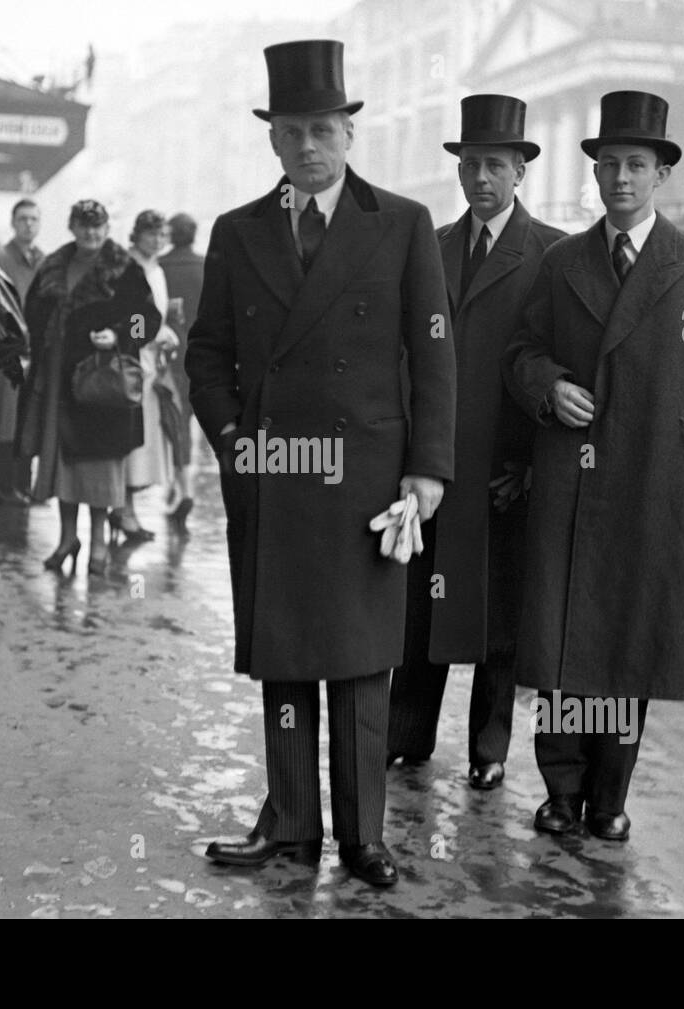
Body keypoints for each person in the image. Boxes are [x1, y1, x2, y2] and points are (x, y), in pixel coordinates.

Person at [188, 40, 455, 887]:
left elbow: (435, 355)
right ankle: (295, 826)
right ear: (272, 139)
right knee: (287, 653)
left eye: (324, 129)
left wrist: (428, 471)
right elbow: (207, 356)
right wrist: (237, 444)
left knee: (364, 661)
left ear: (349, 132)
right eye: (293, 130)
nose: (309, 146)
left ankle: (363, 835)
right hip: (275, 478)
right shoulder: (238, 233)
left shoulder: (403, 224)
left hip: (369, 482)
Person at [502, 91, 684, 841]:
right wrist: (549, 388)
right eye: (608, 164)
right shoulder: (560, 261)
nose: (620, 178)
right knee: (565, 640)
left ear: (661, 174)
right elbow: (519, 354)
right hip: (572, 478)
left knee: (629, 640)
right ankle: (560, 790)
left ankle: (609, 797)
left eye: (636, 165)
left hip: (654, 479)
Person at [387, 95, 564, 790]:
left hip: (504, 467)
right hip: (435, 463)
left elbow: (554, 358)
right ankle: (407, 734)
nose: (480, 177)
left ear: (521, 170)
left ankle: (489, 749)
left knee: (498, 617)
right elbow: (405, 356)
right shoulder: (431, 248)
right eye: (470, 164)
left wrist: (530, 462)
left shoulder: (550, 253)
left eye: (495, 164)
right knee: (422, 606)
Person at [18, 200, 160, 576]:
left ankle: (97, 542)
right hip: (58, 383)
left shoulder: (124, 269)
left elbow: (148, 318)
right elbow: (31, 315)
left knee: (98, 466)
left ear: (107, 228)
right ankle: (68, 538)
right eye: (83, 227)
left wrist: (117, 334)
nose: (90, 234)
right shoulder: (53, 266)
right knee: (63, 463)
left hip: (101, 386)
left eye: (97, 227)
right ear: (72, 227)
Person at [118, 210, 181, 542]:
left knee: (145, 440)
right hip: (133, 361)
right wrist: (154, 335)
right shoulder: (129, 268)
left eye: (162, 235)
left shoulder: (156, 269)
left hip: (151, 364)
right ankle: (123, 511)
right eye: (151, 234)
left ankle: (128, 510)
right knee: (131, 439)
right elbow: (133, 320)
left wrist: (165, 327)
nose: (157, 241)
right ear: (137, 234)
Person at [0, 198, 46, 506]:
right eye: (23, 219)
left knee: (29, 420)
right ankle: (2, 485)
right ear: (13, 223)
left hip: (36, 356)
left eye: (34, 219)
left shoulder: (44, 261)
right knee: (5, 422)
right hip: (7, 357)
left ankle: (25, 484)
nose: (28, 224)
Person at [158, 212, 204, 531]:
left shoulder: (159, 267)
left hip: (169, 355)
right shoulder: (208, 266)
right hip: (204, 357)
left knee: (173, 424)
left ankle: (180, 487)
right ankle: (181, 486)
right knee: (186, 422)